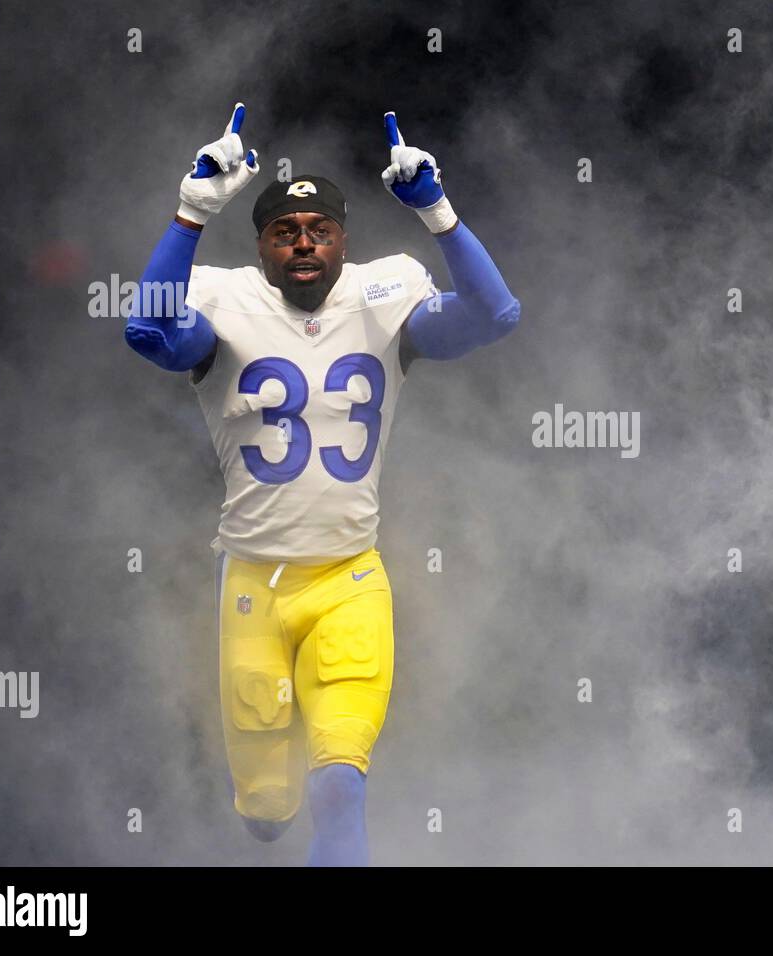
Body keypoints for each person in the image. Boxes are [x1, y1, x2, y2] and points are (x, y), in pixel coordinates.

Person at [124, 103, 520, 865]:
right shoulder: (226, 304)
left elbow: (496, 314)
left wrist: (437, 213)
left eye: (319, 230)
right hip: (251, 585)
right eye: (284, 231)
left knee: (340, 788)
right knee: (270, 812)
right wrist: (190, 213)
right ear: (263, 248)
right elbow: (149, 333)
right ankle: (269, 803)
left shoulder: (385, 297)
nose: (303, 243)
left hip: (349, 580)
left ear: (344, 241)